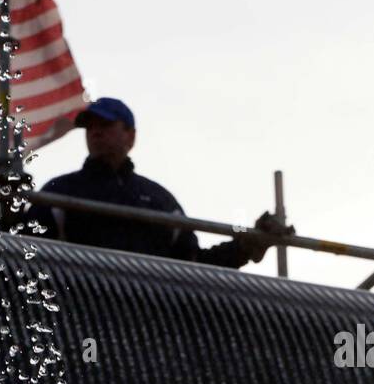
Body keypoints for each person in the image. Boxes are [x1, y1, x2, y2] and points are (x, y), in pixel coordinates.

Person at [17, 97, 293, 267]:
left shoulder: (159, 200)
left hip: (146, 329)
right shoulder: (61, 191)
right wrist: (9, 208)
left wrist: (248, 245)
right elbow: (20, 255)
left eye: (105, 125)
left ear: (131, 136)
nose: (96, 132)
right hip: (78, 317)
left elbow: (195, 266)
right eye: (90, 127)